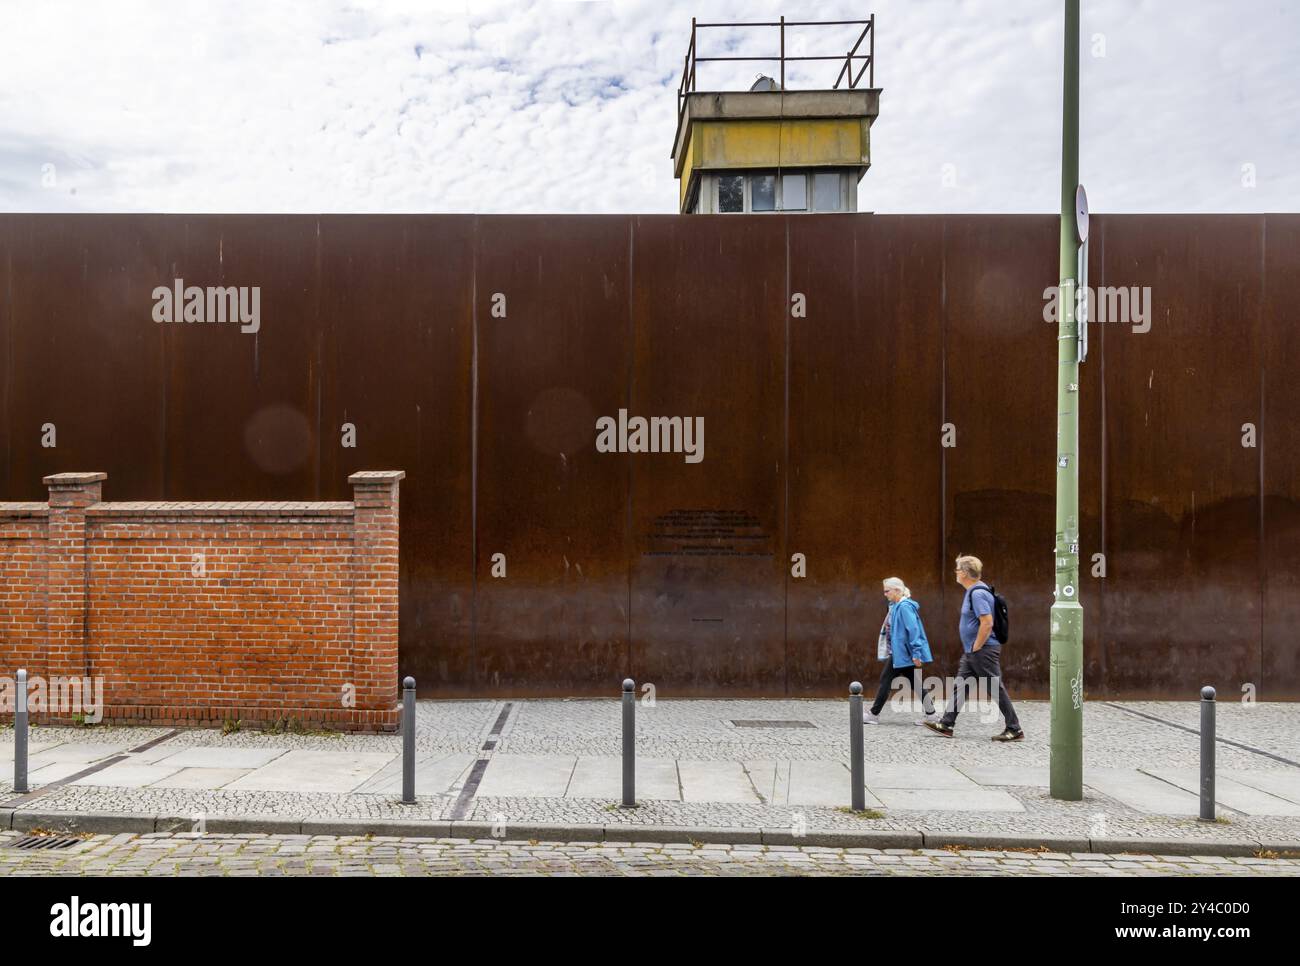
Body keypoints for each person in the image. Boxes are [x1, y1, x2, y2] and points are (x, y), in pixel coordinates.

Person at [924, 554, 1024, 741]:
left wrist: (976, 646)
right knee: (961, 686)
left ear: (965, 573)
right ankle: (946, 724)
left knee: (995, 688)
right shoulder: (974, 591)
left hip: (983, 650)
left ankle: (1014, 728)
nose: (955, 573)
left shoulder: (978, 593)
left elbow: (987, 622)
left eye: (957, 569)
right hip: (975, 651)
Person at [864, 577, 939, 724]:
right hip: (901, 653)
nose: (885, 594)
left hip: (903, 654)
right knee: (915, 684)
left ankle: (873, 714)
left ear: (897, 590)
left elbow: (914, 630)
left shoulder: (904, 607)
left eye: (887, 591)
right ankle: (932, 715)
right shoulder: (896, 606)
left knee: (885, 680)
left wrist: (917, 653)